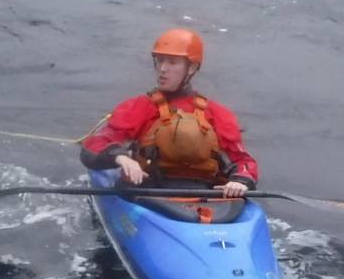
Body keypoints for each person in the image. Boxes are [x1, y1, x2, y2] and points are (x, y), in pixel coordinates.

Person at [79, 29, 259, 198]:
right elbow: (93, 145)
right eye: (160, 61)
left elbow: (243, 161)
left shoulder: (217, 113)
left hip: (204, 194)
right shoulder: (139, 107)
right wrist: (121, 157)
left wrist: (240, 181)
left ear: (191, 68)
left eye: (172, 62)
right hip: (147, 190)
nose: (163, 68)